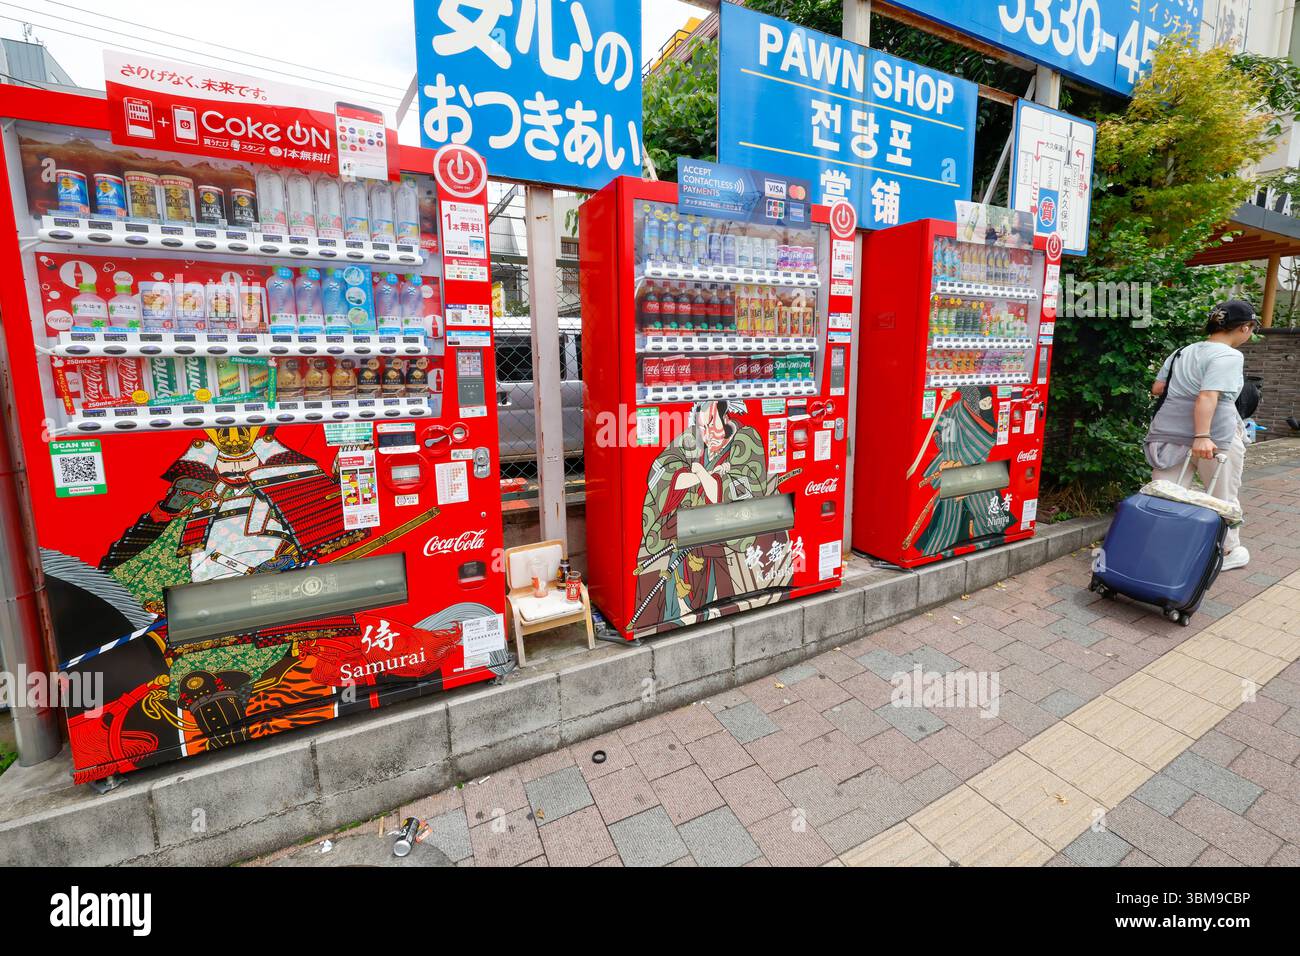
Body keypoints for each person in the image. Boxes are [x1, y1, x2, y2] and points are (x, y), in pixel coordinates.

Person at [1145, 300, 1258, 570]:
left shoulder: (1182, 351)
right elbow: (1208, 395)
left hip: (1169, 434)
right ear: (1244, 327)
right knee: (1221, 497)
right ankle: (1229, 552)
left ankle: (1159, 550)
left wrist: (1186, 386)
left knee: (1165, 496)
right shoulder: (1229, 356)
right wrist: (1201, 435)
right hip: (1213, 438)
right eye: (1251, 329)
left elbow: (1158, 387)